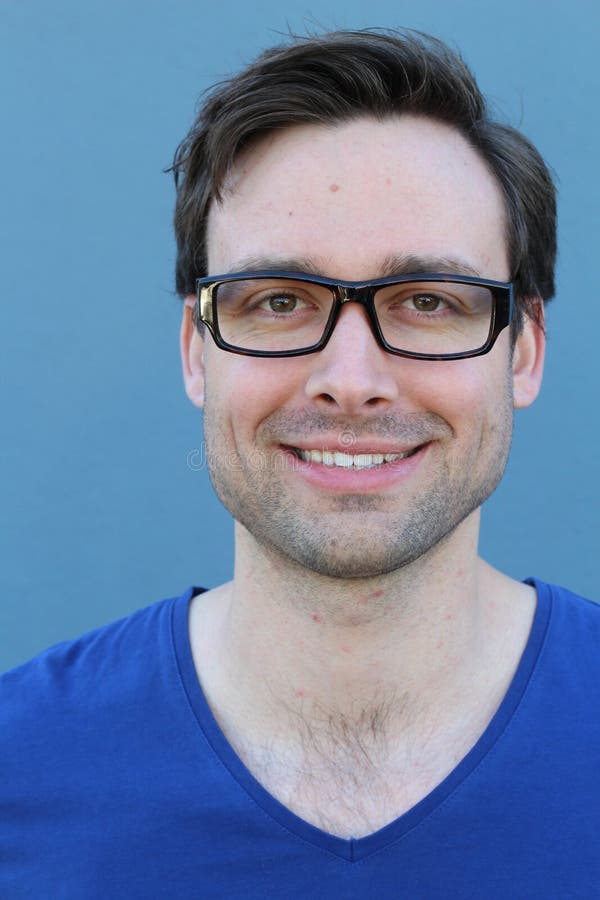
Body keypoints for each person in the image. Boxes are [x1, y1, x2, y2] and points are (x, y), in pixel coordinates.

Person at [1, 28, 599, 899]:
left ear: (525, 352)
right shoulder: (18, 767)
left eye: (428, 301)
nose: (349, 382)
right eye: (279, 300)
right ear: (197, 353)